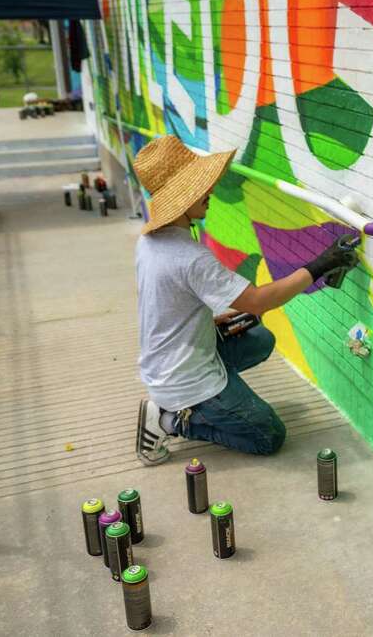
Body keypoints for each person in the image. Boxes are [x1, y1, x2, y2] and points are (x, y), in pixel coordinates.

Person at [132, 135, 357, 465]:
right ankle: (172, 419)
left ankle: (219, 398)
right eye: (200, 188)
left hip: (168, 361)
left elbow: (166, 302)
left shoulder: (151, 241)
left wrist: (207, 322)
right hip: (184, 378)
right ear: (181, 200)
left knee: (259, 338)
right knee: (269, 436)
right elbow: (257, 301)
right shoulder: (189, 257)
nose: (209, 193)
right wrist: (321, 265)